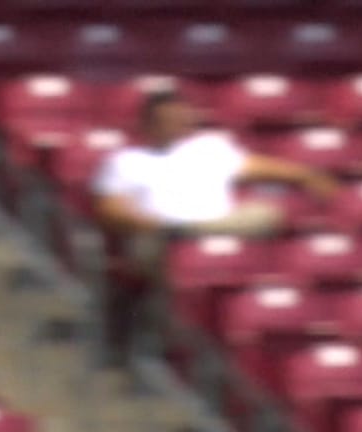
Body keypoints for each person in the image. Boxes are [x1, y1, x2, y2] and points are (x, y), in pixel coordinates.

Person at [91, 89, 339, 365]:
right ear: (148, 123)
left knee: (268, 212)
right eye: (166, 119)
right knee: (151, 245)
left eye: (181, 118)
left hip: (220, 227)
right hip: (165, 234)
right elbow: (109, 209)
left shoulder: (210, 147)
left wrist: (305, 175)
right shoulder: (127, 161)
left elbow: (258, 167)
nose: (177, 125)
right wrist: (149, 222)